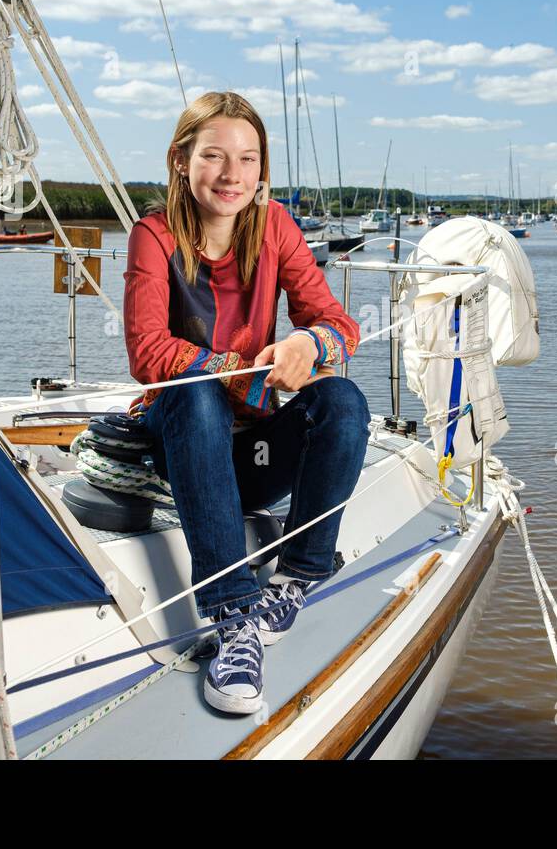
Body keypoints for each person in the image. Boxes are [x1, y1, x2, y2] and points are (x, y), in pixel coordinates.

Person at [124, 91, 367, 716]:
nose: (232, 175)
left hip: (249, 460)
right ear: (181, 161)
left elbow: (339, 324)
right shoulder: (153, 235)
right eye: (213, 156)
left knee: (342, 401)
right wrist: (243, 375)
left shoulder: (276, 227)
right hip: (177, 443)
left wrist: (309, 342)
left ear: (262, 169)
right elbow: (149, 352)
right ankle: (234, 618)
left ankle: (296, 578)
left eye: (248, 159)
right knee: (198, 395)